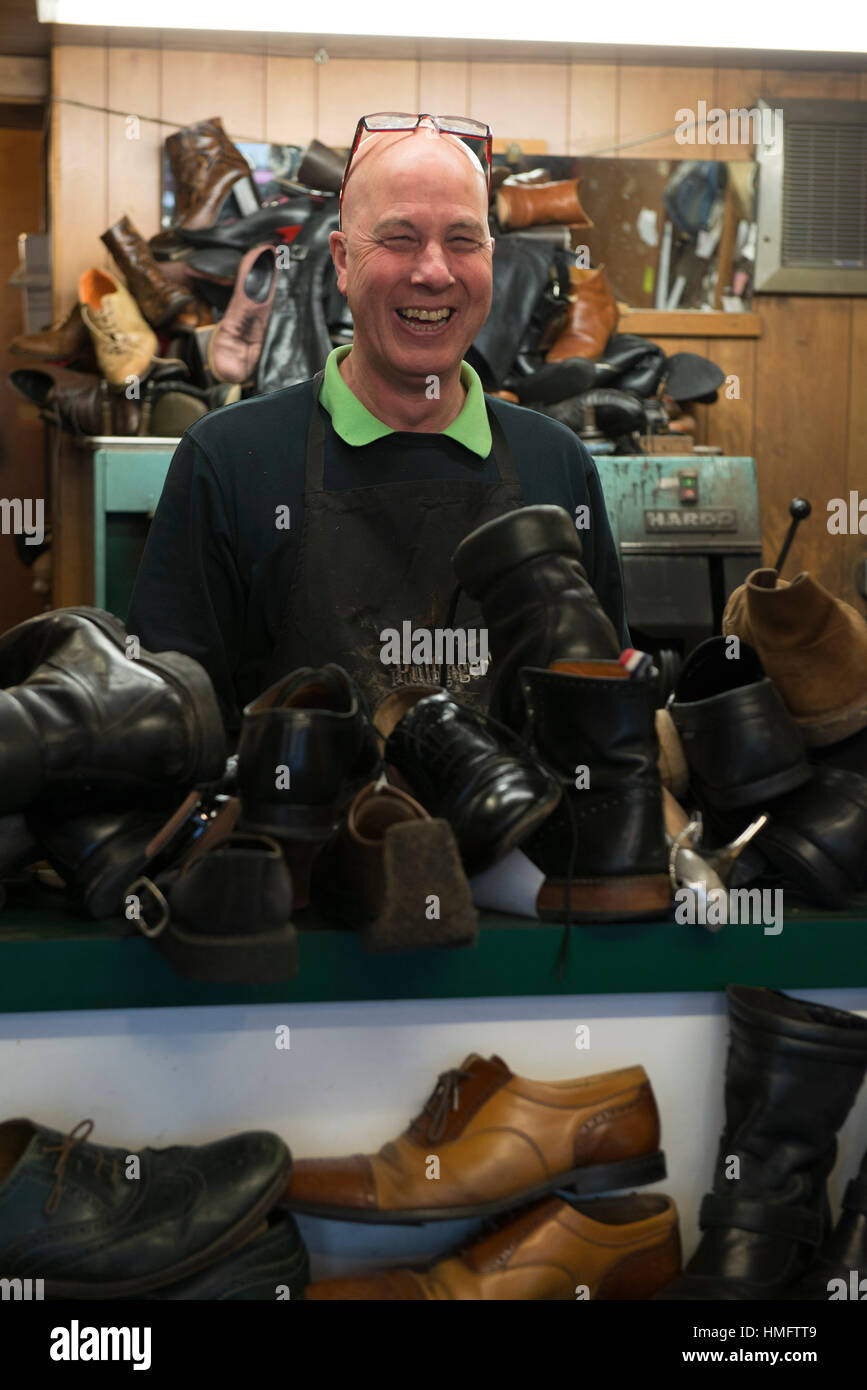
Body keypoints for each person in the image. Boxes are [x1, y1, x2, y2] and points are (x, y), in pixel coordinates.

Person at [127, 113, 629, 737]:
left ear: (491, 260)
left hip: (508, 834)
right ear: (342, 260)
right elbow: (173, 727)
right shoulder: (229, 459)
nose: (435, 271)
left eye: (464, 241)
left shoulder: (555, 461)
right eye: (400, 239)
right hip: (296, 830)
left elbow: (602, 718)